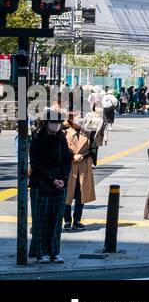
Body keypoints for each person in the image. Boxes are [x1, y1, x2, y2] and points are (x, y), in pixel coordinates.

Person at [29, 110, 72, 263]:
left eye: (59, 123)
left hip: (59, 184)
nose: (57, 125)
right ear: (46, 123)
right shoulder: (37, 139)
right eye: (54, 122)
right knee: (41, 219)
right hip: (41, 184)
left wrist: (63, 179)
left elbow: (67, 160)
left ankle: (54, 251)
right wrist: (52, 180)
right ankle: (40, 252)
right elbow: (35, 165)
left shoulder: (62, 139)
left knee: (56, 219)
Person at [63, 113, 96, 230]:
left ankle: (77, 220)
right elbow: (62, 149)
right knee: (67, 194)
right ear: (71, 120)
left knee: (81, 194)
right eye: (78, 117)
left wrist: (83, 155)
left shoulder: (87, 133)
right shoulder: (64, 133)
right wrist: (72, 156)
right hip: (70, 167)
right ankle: (67, 220)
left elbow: (93, 149)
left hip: (83, 166)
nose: (80, 119)